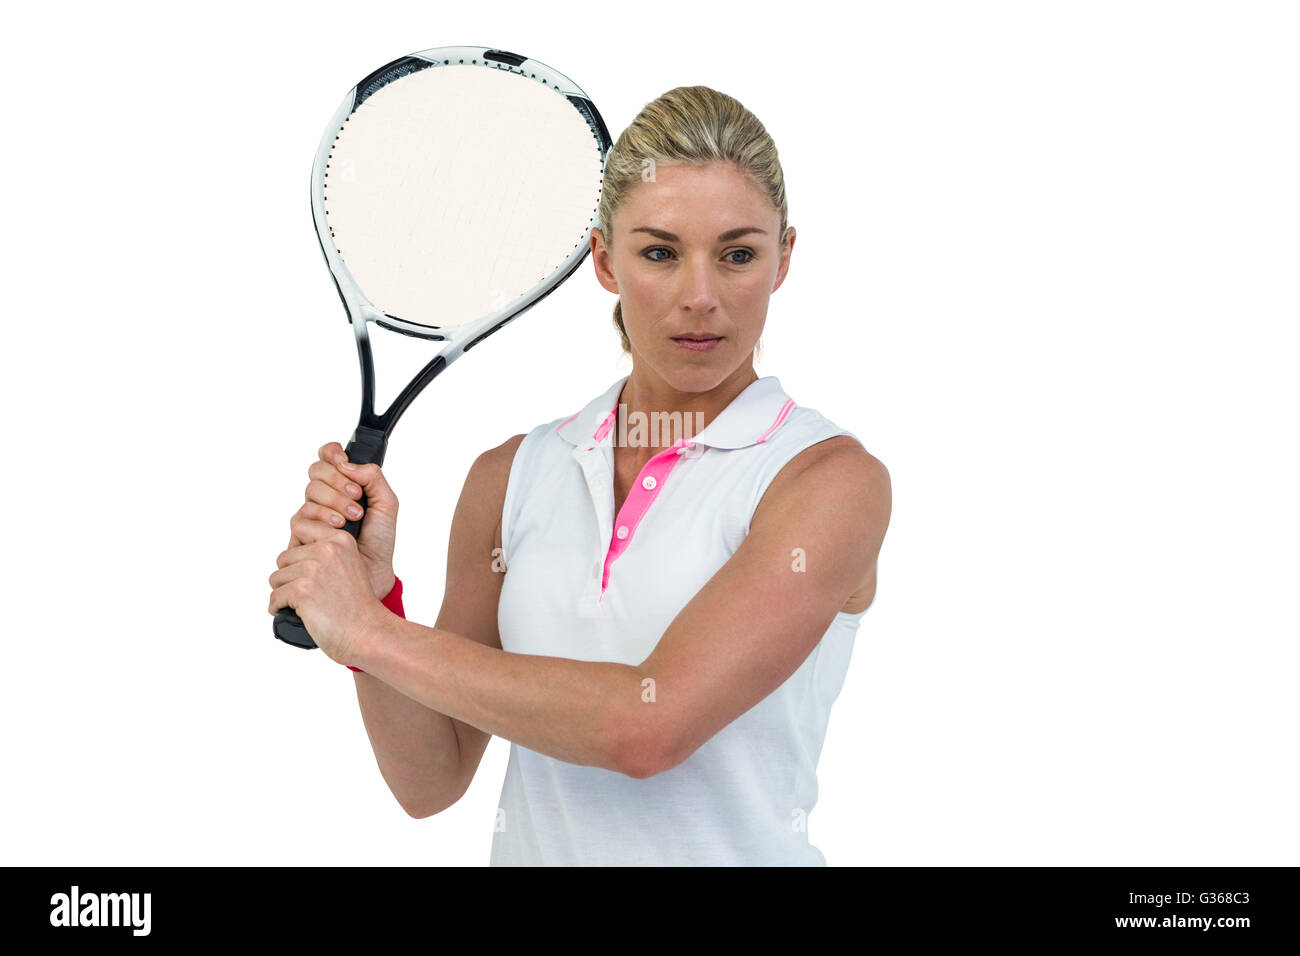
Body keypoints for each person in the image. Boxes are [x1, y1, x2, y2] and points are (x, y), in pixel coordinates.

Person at [268, 85, 892, 866]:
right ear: (604, 259)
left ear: (784, 258)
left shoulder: (826, 481)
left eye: (738, 254)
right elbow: (429, 779)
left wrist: (370, 631)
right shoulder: (512, 477)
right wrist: (372, 599)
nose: (700, 298)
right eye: (659, 252)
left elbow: (646, 728)